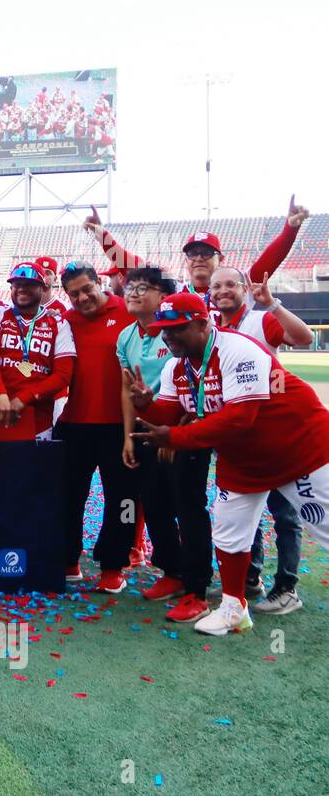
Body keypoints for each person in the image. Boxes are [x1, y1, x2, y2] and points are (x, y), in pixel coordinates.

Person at [130, 292, 329, 635]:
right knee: (228, 528)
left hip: (298, 448)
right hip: (243, 457)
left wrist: (175, 438)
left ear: (203, 324)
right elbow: (172, 412)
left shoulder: (239, 349)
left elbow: (239, 418)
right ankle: (234, 608)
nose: (169, 336)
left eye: (177, 328)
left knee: (324, 525)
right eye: (164, 329)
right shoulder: (176, 366)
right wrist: (146, 406)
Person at [210, 266, 315, 613]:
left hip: (274, 433)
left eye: (230, 284)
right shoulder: (213, 329)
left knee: (285, 514)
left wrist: (273, 304)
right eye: (216, 286)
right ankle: (249, 579)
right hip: (241, 436)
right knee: (246, 515)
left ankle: (286, 587)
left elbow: (304, 339)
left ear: (243, 289)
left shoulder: (259, 318)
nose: (223, 291)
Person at [115, 266, 210, 621]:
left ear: (163, 296)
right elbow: (129, 389)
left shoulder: (179, 330)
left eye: (145, 288)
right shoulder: (126, 336)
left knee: (188, 506)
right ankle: (172, 572)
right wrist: (128, 434)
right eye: (130, 287)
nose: (135, 293)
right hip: (148, 428)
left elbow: (193, 385)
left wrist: (178, 431)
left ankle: (198, 585)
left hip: (184, 431)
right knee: (153, 503)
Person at [57, 262, 136, 592]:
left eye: (87, 289)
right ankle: (67, 558)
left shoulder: (129, 312)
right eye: (74, 294)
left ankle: (113, 565)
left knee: (124, 500)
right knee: (69, 497)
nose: (82, 298)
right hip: (73, 425)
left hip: (120, 426)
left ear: (99, 283)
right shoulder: (66, 321)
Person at [84, 196, 309, 296]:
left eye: (206, 253)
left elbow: (266, 265)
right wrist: (103, 236)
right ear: (186, 261)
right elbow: (134, 268)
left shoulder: (237, 287)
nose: (198, 258)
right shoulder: (176, 289)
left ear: (221, 259)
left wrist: (290, 229)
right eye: (192, 253)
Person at [0, 261, 75, 441]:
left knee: (36, 469)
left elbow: (63, 375)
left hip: (39, 423)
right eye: (16, 285)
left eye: (29, 284)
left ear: (42, 288)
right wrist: (0, 393)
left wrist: (23, 398)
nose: (21, 289)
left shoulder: (59, 324)